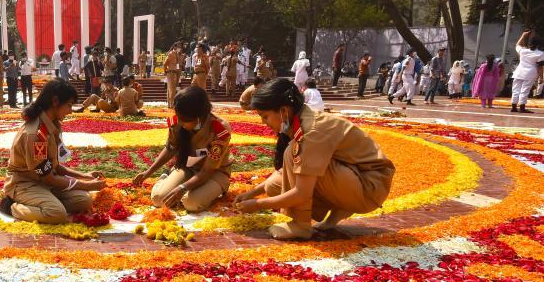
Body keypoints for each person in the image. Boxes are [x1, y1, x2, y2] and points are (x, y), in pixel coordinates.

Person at [234, 79, 394, 240]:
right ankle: (340, 208)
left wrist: (257, 205)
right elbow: (287, 173)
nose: (263, 122)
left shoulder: (310, 133)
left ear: (283, 111)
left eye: (265, 116)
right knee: (273, 186)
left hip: (370, 186)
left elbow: (302, 193)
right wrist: (254, 192)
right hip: (355, 178)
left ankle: (301, 225)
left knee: (292, 152)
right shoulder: (300, 120)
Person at [0, 79, 104, 223]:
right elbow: (48, 177)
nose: (70, 110)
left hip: (44, 182)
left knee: (84, 201)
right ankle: (10, 206)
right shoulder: (36, 134)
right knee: (56, 213)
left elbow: (55, 167)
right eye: (68, 105)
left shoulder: (51, 125)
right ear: (55, 101)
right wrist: (86, 185)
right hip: (25, 184)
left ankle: (47, 202)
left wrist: (84, 175)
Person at [132, 86, 232, 213]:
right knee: (159, 199)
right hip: (188, 166)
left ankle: (218, 188)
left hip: (215, 172)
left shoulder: (220, 130)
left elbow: (207, 170)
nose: (179, 122)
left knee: (191, 203)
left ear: (199, 116)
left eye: (184, 120)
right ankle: (166, 176)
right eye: (178, 116)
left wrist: (183, 188)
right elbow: (170, 148)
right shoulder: (177, 122)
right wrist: (148, 172)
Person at [510, 30, 544, 113]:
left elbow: (517, 45)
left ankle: (514, 107)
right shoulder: (540, 54)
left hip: (519, 72)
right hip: (530, 73)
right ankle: (522, 107)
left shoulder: (523, 51)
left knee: (515, 89)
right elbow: (540, 67)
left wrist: (523, 35)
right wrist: (541, 77)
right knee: (525, 90)